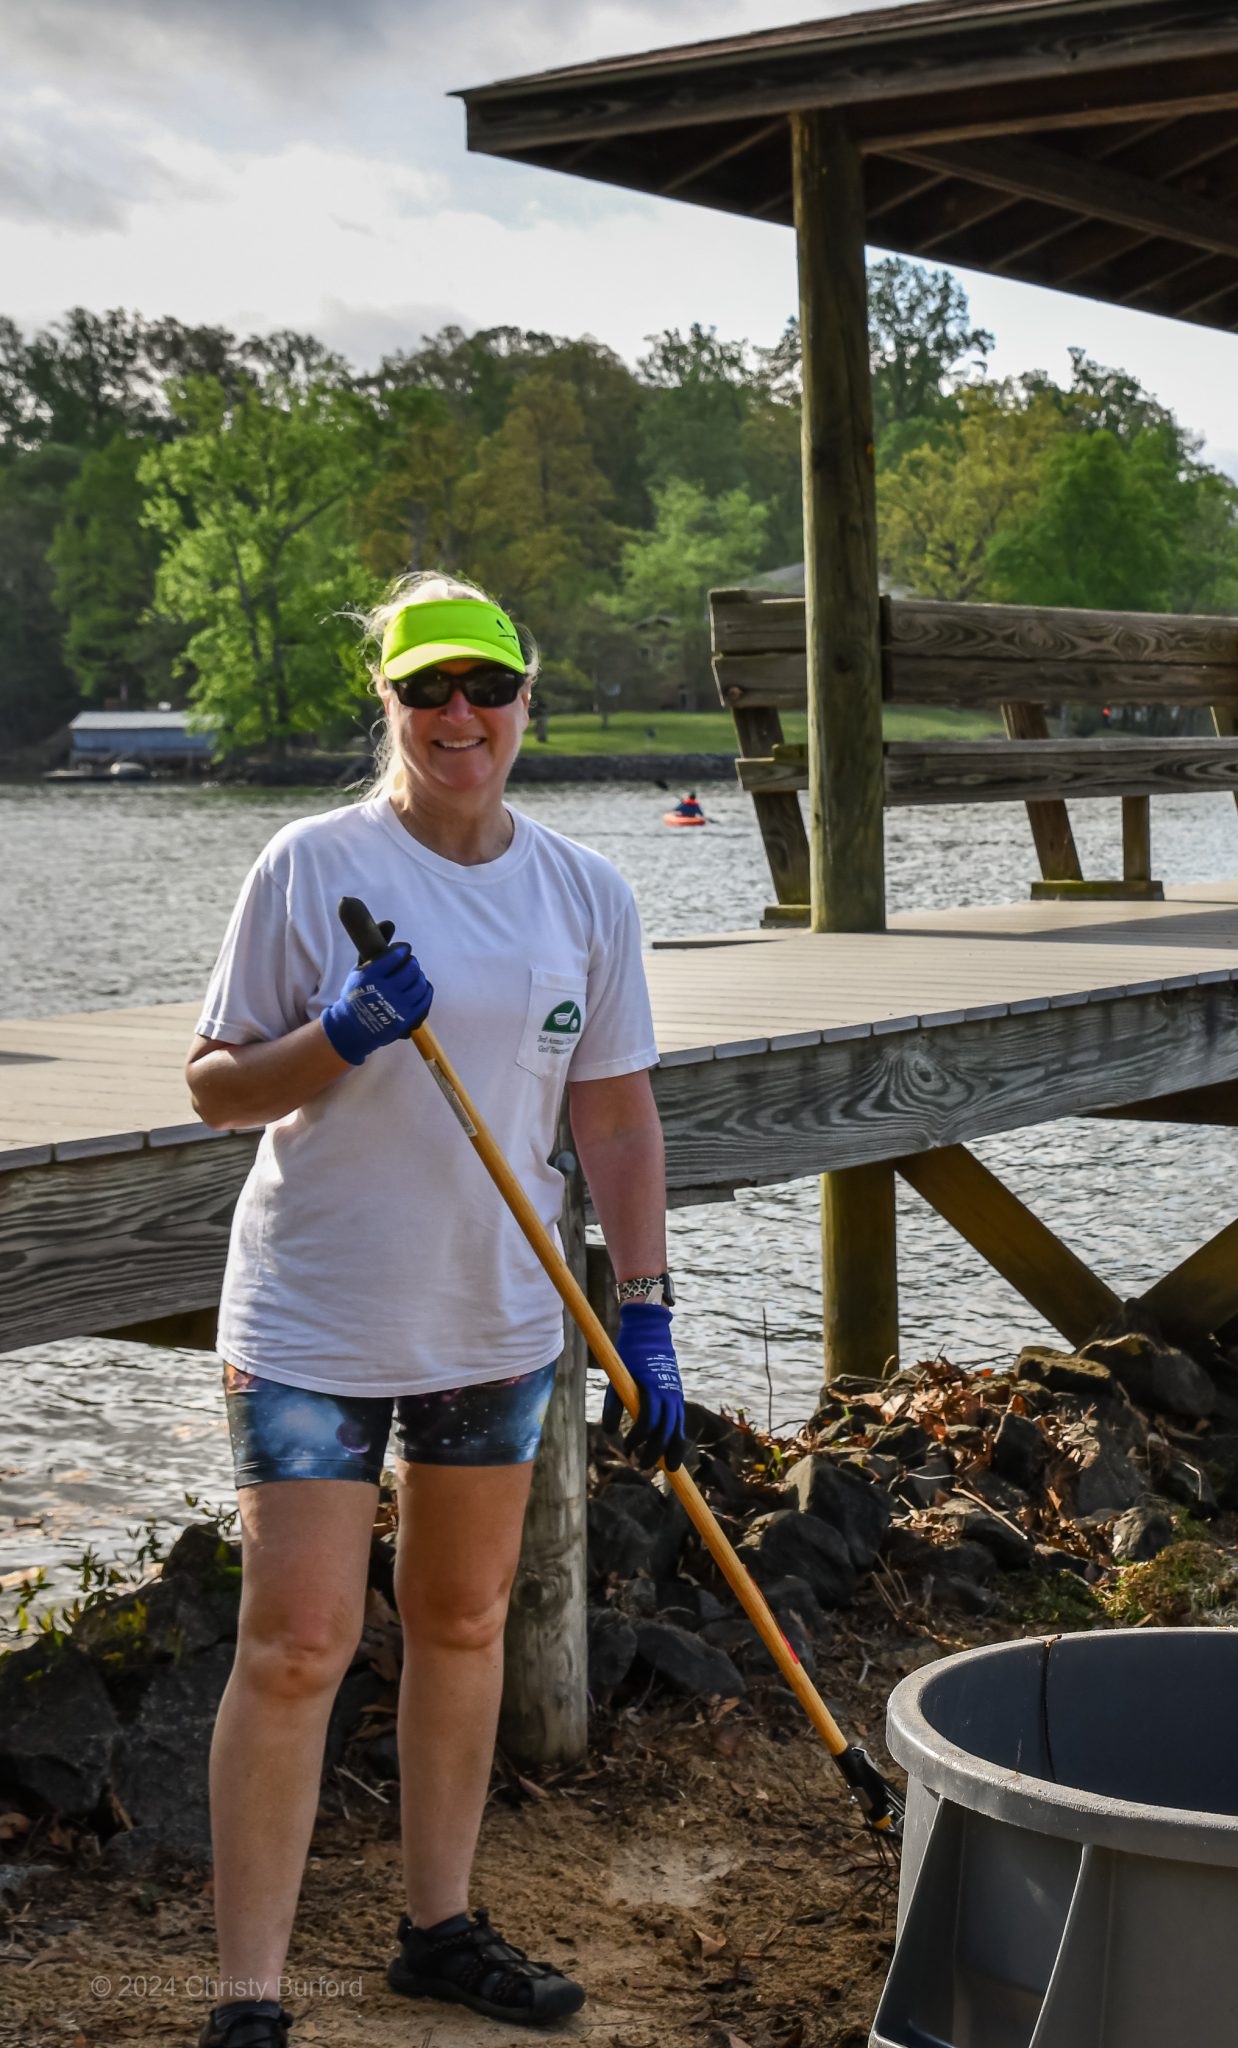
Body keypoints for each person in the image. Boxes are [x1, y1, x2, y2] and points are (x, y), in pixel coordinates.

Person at [182, 574, 693, 2048]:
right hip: (313, 1320)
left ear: (528, 695)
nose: (456, 714)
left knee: (465, 1620)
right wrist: (335, 1035)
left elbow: (615, 1118)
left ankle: (438, 1929)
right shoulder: (308, 862)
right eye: (425, 690)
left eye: (484, 685)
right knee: (295, 1643)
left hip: (496, 1316)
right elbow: (216, 1090)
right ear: (388, 704)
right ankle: (249, 1996)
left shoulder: (585, 891)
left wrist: (643, 1309)